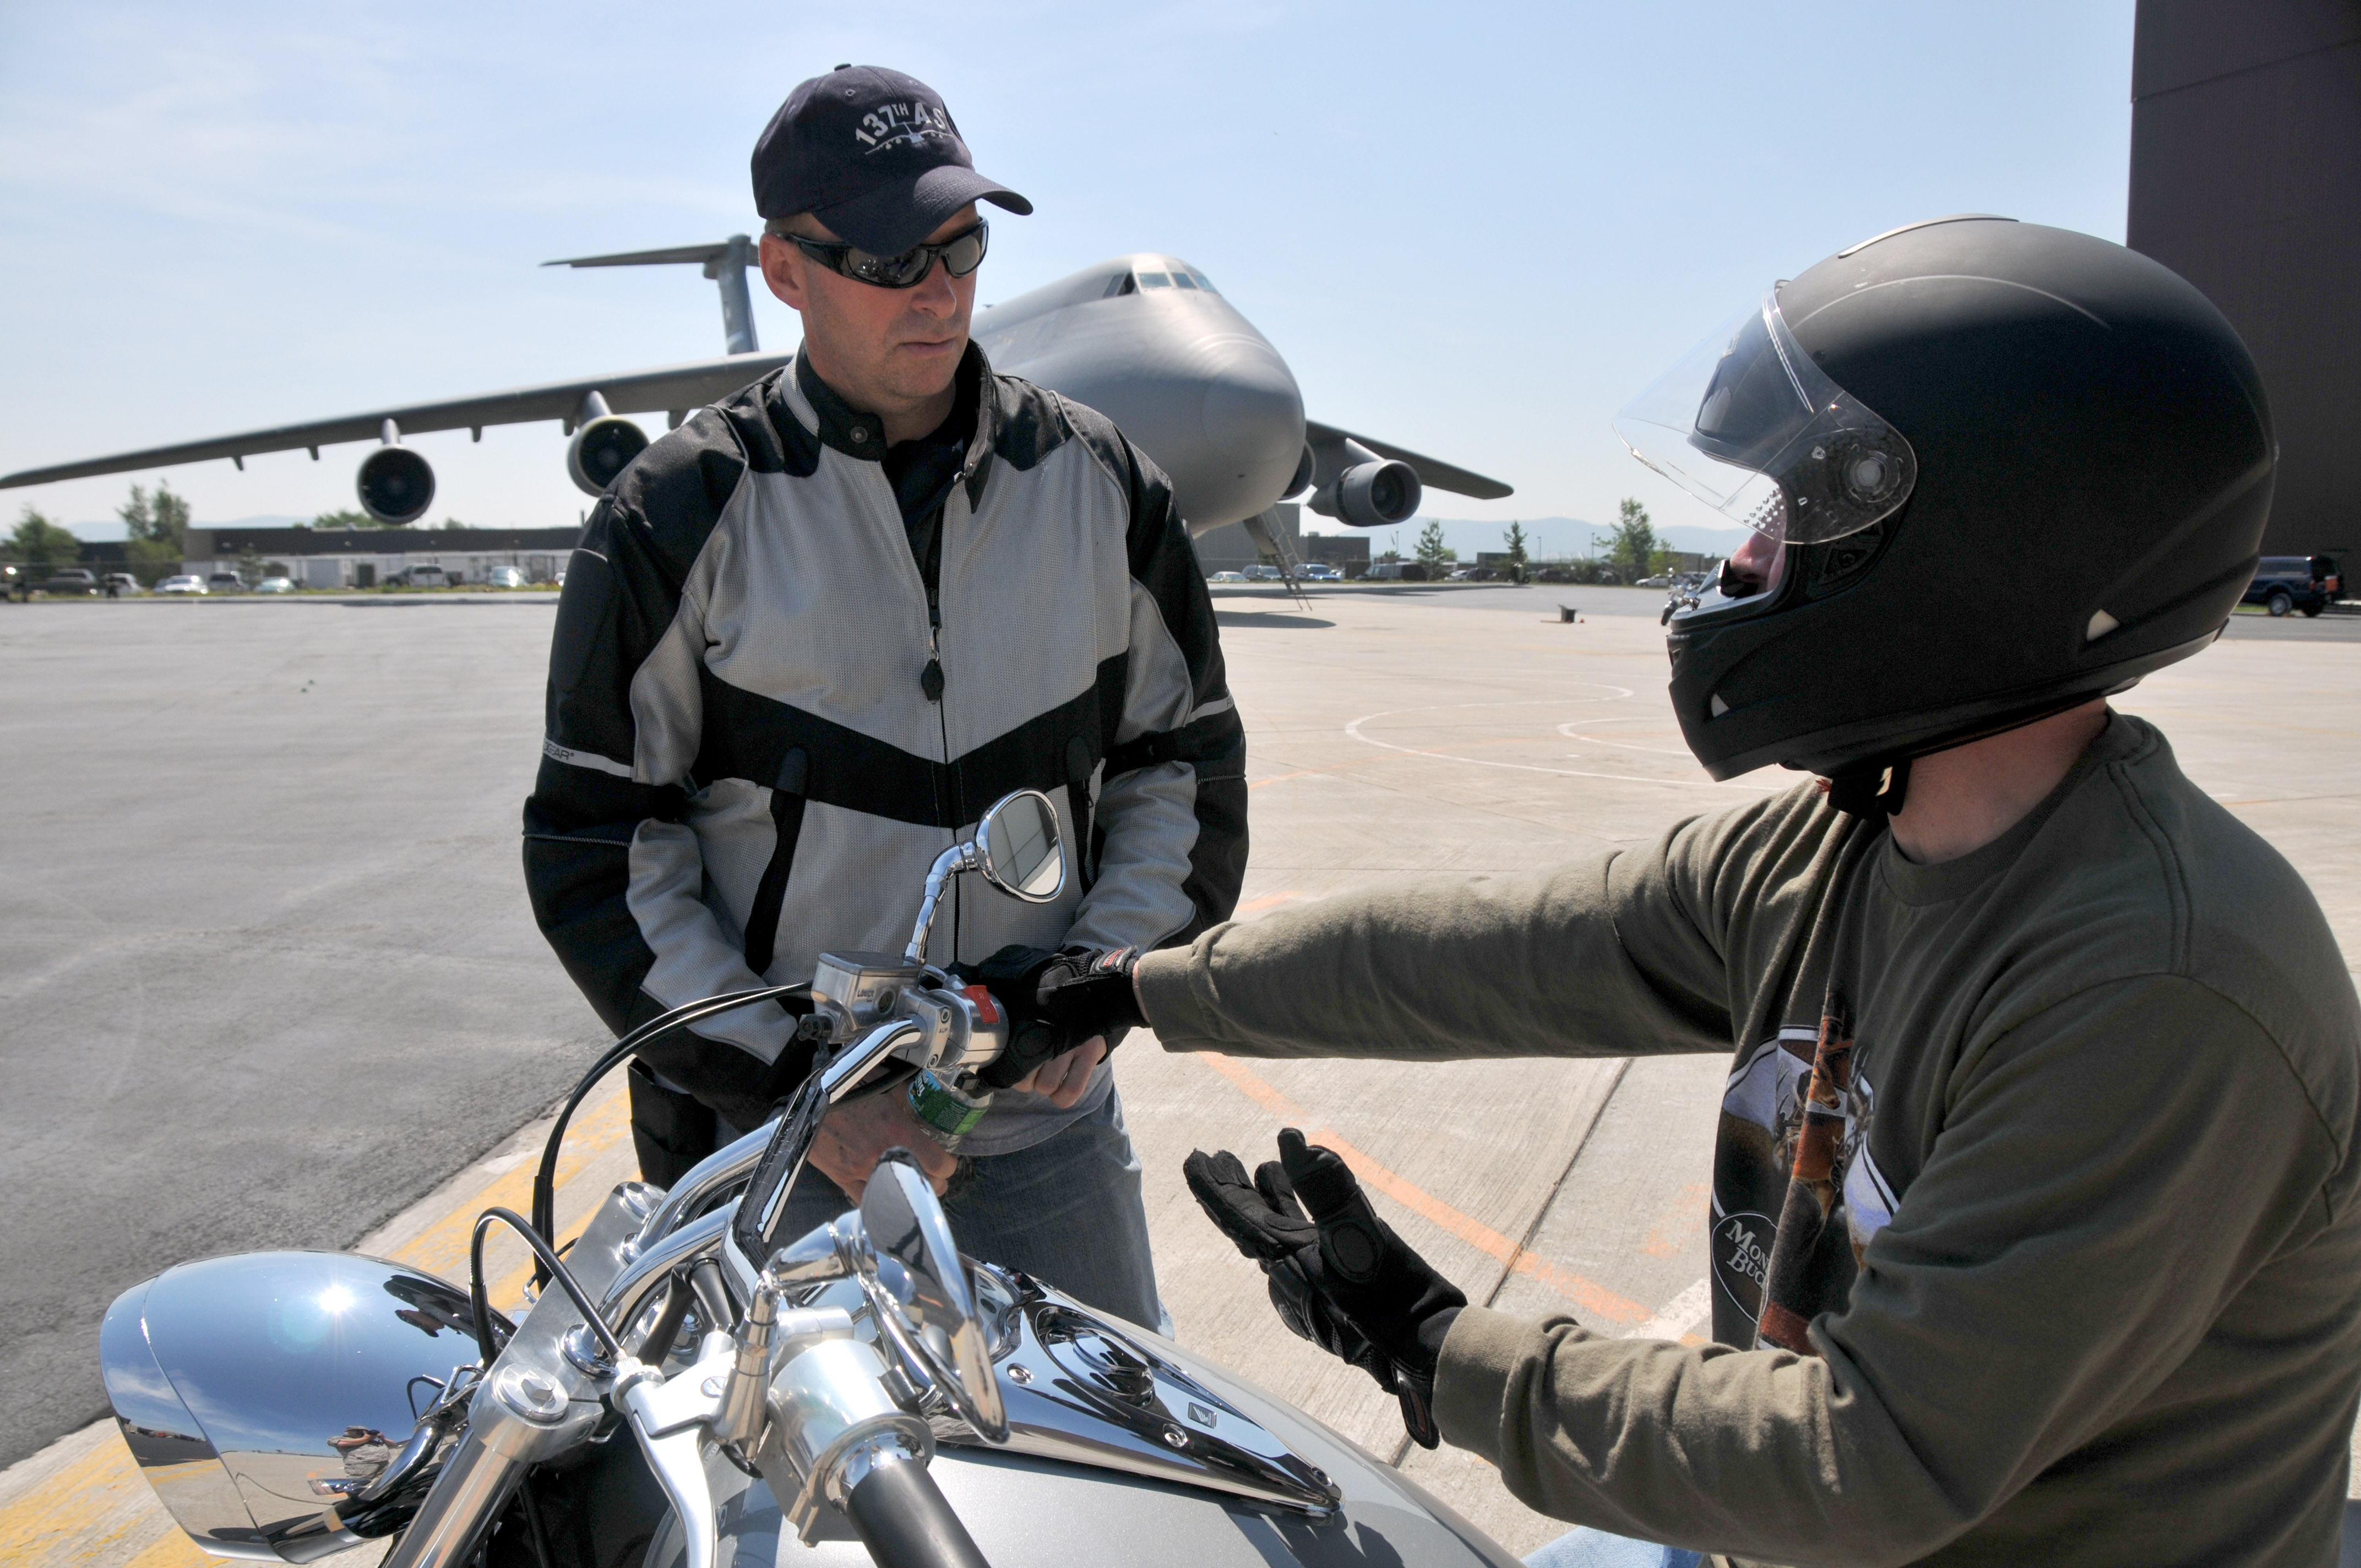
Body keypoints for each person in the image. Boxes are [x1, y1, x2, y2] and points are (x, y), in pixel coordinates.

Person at [977, 218, 2361, 1565]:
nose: (1749, 554)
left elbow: (1867, 1459)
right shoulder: (1836, 847)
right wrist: (1134, 988)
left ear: (1992, 545)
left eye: (1814, 500)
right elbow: (1494, 951)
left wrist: (1431, 1348)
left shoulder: (2153, 987)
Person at [521, 64, 1245, 1332]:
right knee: (786, 1510)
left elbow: (1176, 768)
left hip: (1043, 1128)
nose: (939, 287)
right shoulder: (676, 513)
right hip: (780, 1144)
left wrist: (1098, 979)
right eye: (886, 254)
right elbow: (598, 846)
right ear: (785, 270)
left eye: (961, 242)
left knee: (1118, 1485)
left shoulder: (1100, 483)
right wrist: (807, 1087)